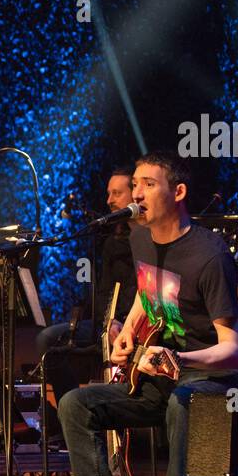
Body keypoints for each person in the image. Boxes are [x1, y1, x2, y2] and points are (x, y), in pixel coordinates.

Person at [56, 152, 238, 476]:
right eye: (135, 184)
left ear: (177, 192)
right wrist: (127, 330)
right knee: (75, 405)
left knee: (182, 402)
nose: (137, 194)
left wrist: (177, 357)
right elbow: (149, 289)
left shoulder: (210, 256)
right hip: (156, 373)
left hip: (206, 374)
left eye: (148, 184)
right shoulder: (140, 238)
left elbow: (235, 349)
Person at [36, 168, 140, 404]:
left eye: (116, 193)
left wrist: (126, 324)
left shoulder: (148, 239)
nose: (109, 201)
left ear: (134, 196)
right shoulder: (111, 241)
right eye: (108, 193)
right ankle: (66, 409)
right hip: (108, 322)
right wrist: (109, 320)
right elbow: (103, 291)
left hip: (137, 324)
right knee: (46, 340)